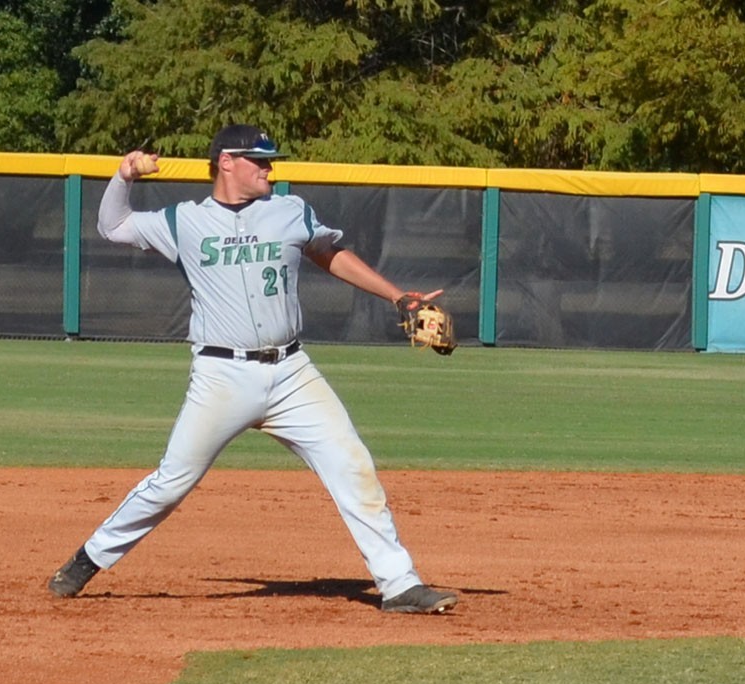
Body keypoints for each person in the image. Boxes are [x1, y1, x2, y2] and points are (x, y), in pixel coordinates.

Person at [46, 124, 457, 614]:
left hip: (291, 372)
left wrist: (397, 295)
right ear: (225, 162)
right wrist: (124, 175)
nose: (268, 168)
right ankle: (89, 558)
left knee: (353, 466)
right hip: (222, 375)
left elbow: (329, 253)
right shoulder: (184, 221)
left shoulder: (289, 211)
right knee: (172, 482)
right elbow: (113, 226)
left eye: (270, 161)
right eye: (258, 160)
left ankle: (399, 585)